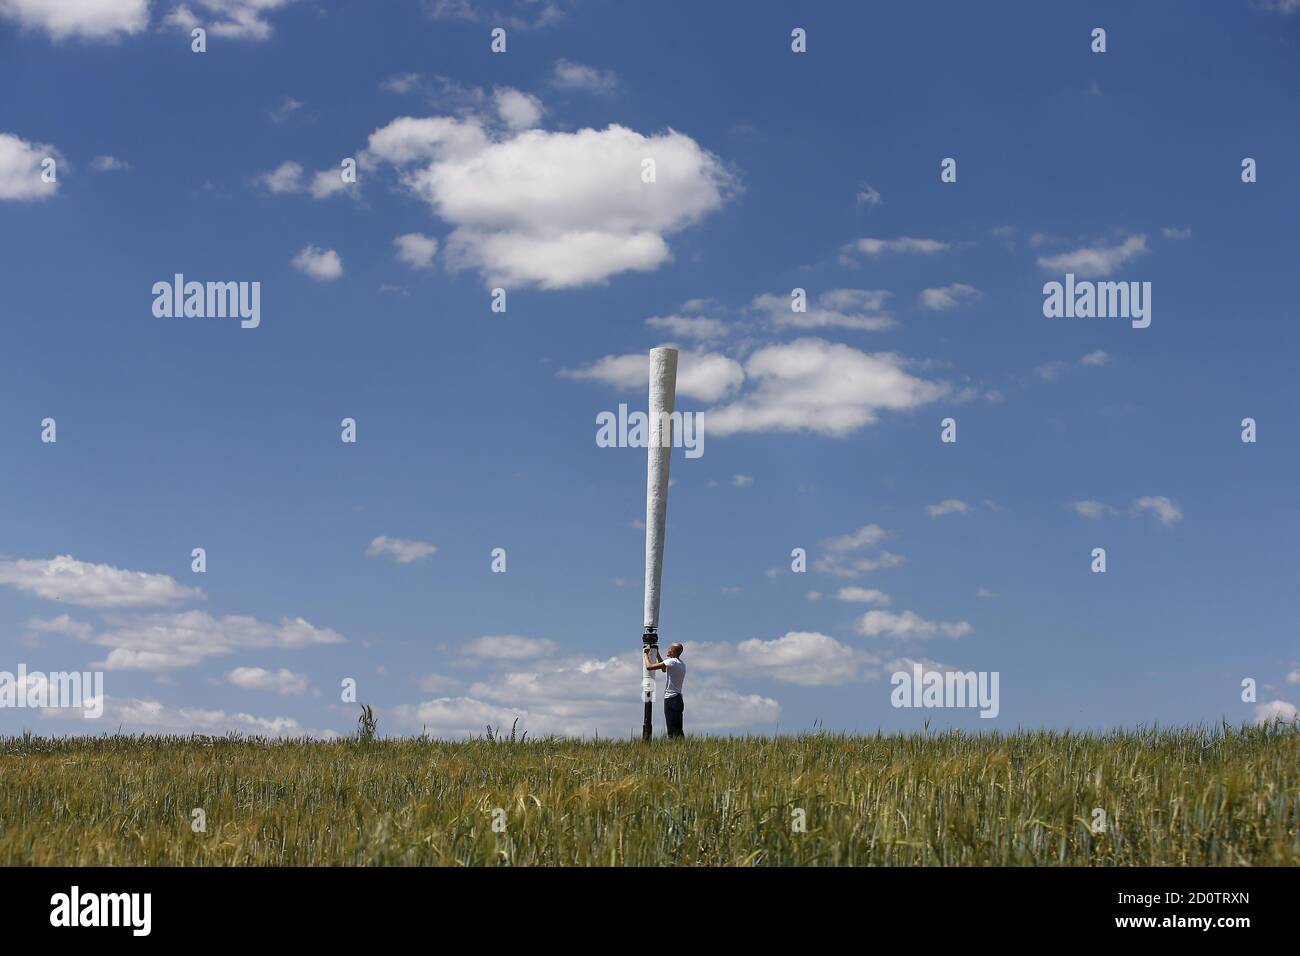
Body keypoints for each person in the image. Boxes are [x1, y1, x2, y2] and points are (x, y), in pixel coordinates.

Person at [644, 642, 686, 738]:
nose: (668, 650)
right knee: (678, 728)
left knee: (671, 729)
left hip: (671, 699)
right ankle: (681, 745)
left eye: (670, 649)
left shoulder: (671, 661)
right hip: (678, 699)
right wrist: (657, 654)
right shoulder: (681, 664)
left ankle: (674, 745)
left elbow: (649, 667)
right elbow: (663, 669)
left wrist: (645, 654)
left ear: (674, 652)